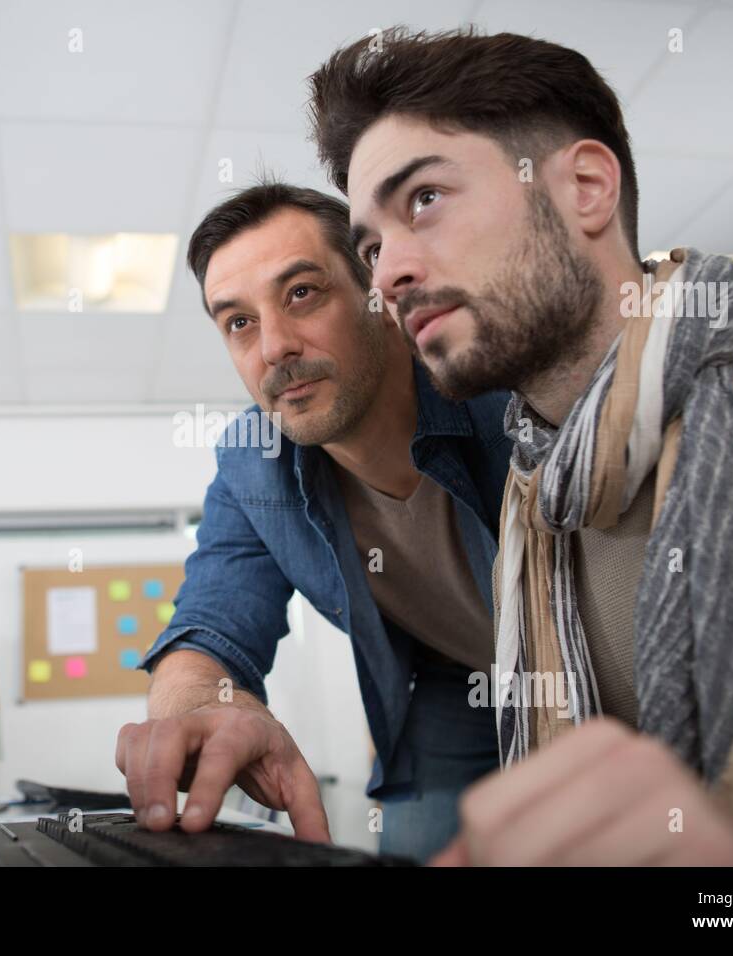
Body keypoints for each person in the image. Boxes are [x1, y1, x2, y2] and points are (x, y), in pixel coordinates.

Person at [308, 26, 733, 865]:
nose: (386, 273)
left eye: (423, 198)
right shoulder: (532, 512)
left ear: (583, 187)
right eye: (370, 245)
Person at [115, 181, 512, 861]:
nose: (273, 347)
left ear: (377, 291)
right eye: (238, 321)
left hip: (586, 656)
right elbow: (211, 623)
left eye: (301, 293)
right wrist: (200, 708)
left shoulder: (496, 391)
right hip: (459, 677)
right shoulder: (254, 462)